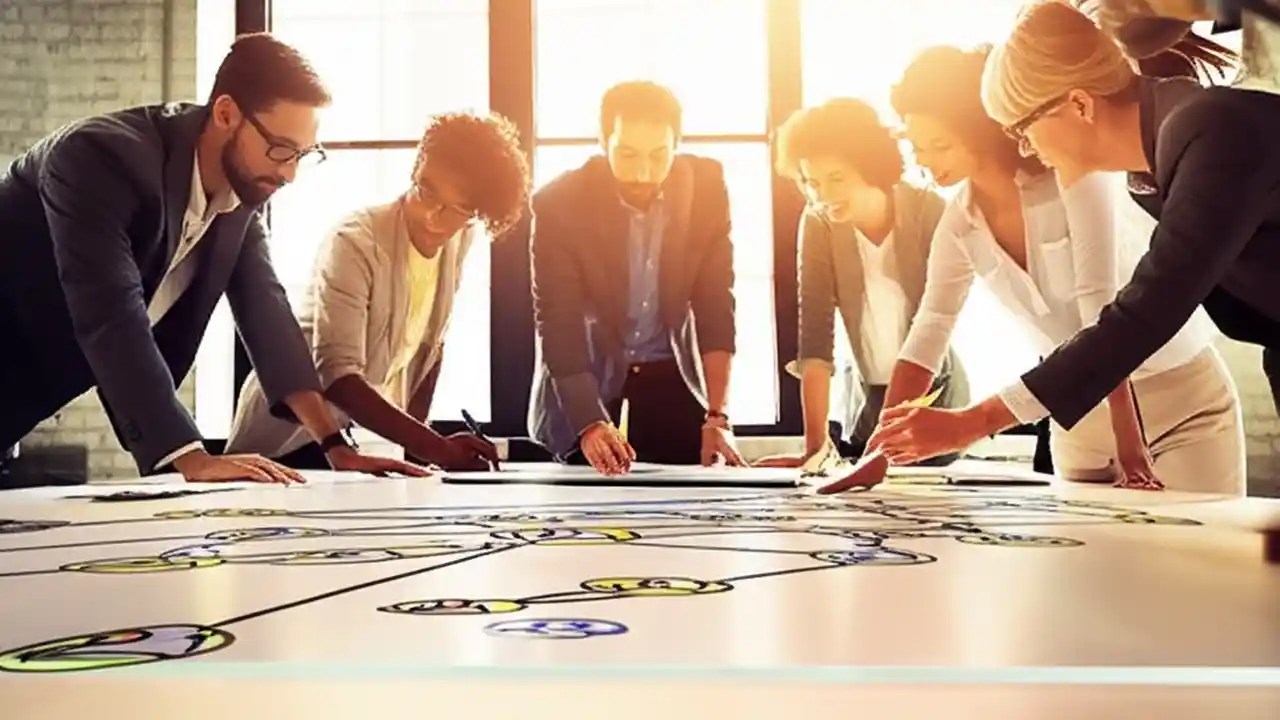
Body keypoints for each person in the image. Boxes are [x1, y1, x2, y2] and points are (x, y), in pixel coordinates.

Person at [869, 0, 1278, 493]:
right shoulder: (1151, 170)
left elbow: (1146, 311)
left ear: (1079, 105)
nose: (1025, 147)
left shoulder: (1208, 131)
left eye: (1024, 128)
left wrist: (975, 421)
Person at [0, 33, 427, 484]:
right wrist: (190, 456)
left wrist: (334, 445)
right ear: (225, 113)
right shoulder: (99, 157)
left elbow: (266, 310)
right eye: (281, 149)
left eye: (303, 155)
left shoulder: (236, 197)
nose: (290, 173)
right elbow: (110, 312)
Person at [226, 111, 530, 470]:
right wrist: (437, 449)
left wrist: (421, 450)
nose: (433, 215)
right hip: (285, 439)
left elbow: (429, 351)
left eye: (456, 208)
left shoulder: (458, 239)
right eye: (426, 190)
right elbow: (338, 376)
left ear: (477, 213)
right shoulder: (356, 241)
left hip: (343, 441)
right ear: (416, 168)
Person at [527, 80, 744, 476]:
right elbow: (558, 321)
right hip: (585, 378)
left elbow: (716, 305)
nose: (644, 173)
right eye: (626, 154)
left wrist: (718, 416)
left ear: (677, 144)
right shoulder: (559, 204)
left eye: (659, 155)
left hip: (670, 375)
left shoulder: (706, 188)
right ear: (602, 140)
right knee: (582, 525)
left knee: (680, 517)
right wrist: (590, 423)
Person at [754, 98, 968, 471]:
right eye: (812, 182)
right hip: (868, 406)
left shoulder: (928, 211)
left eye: (836, 178)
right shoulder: (819, 223)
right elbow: (815, 338)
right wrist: (814, 450)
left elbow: (937, 322)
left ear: (869, 166)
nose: (822, 195)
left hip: (936, 401)